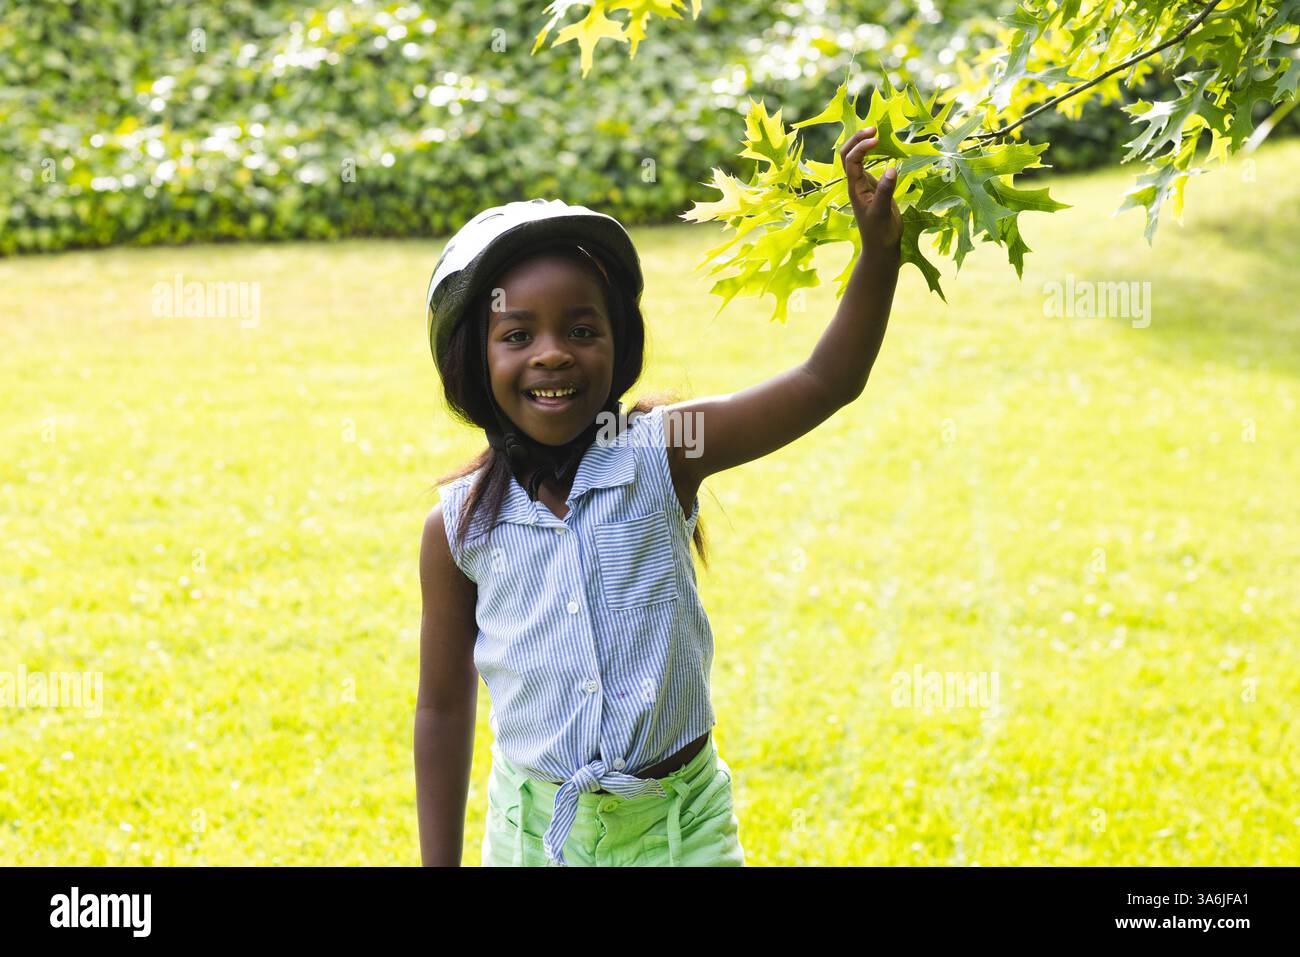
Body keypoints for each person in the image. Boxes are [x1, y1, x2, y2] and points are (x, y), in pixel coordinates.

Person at [415, 127, 902, 866]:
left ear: (618, 346)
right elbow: (444, 708)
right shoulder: (457, 529)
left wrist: (877, 254)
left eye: (582, 328)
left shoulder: (665, 451)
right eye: (518, 334)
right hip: (533, 835)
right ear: (473, 364)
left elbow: (821, 384)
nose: (552, 351)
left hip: (682, 830)